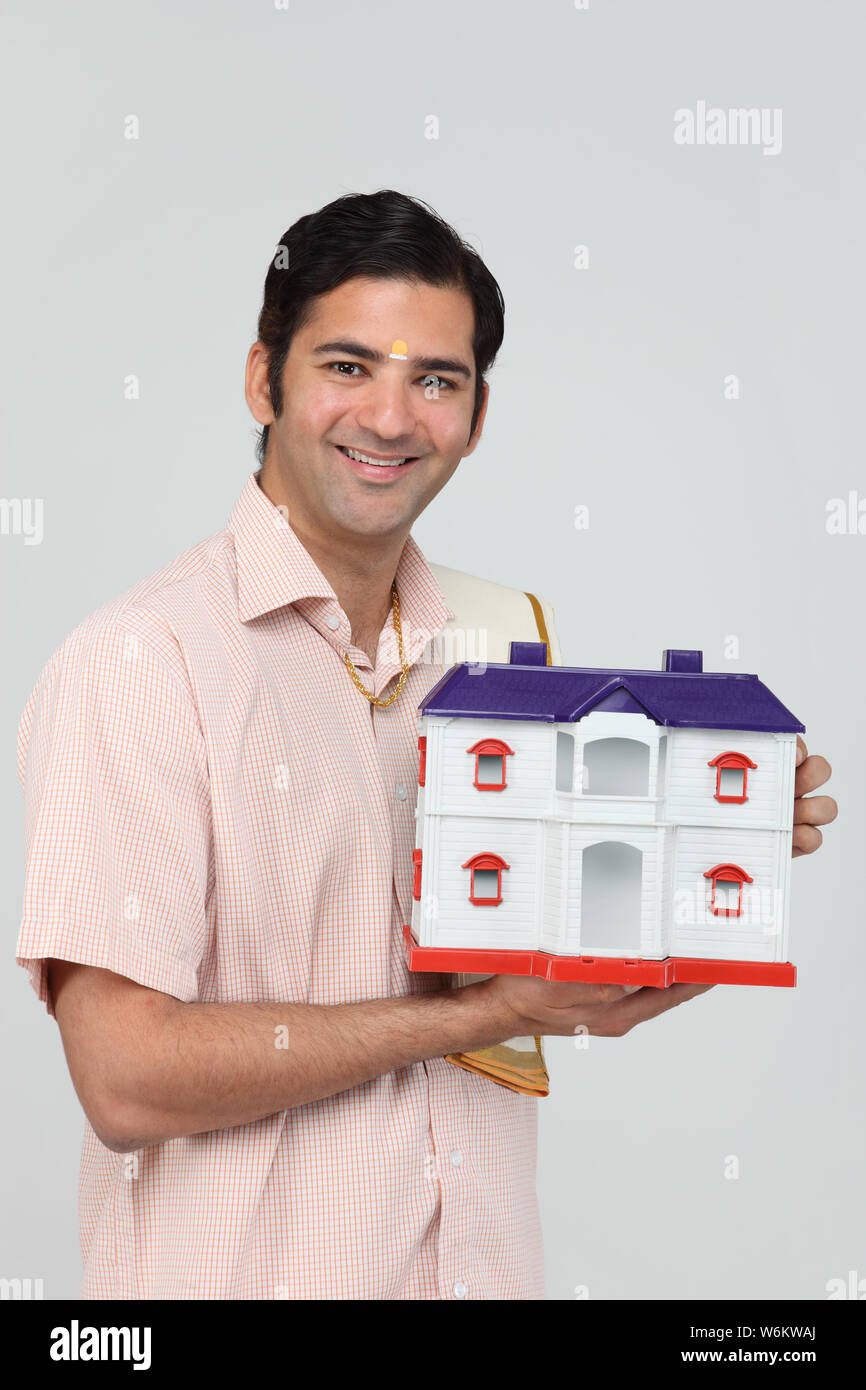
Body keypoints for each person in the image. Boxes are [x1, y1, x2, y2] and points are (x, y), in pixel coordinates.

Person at [15, 189, 837, 1300]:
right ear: (264, 379)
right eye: (347, 367)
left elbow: (546, 988)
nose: (392, 419)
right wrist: (469, 1016)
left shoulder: (498, 653)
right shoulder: (142, 661)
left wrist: (696, 849)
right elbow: (124, 1078)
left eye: (434, 380)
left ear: (477, 414)